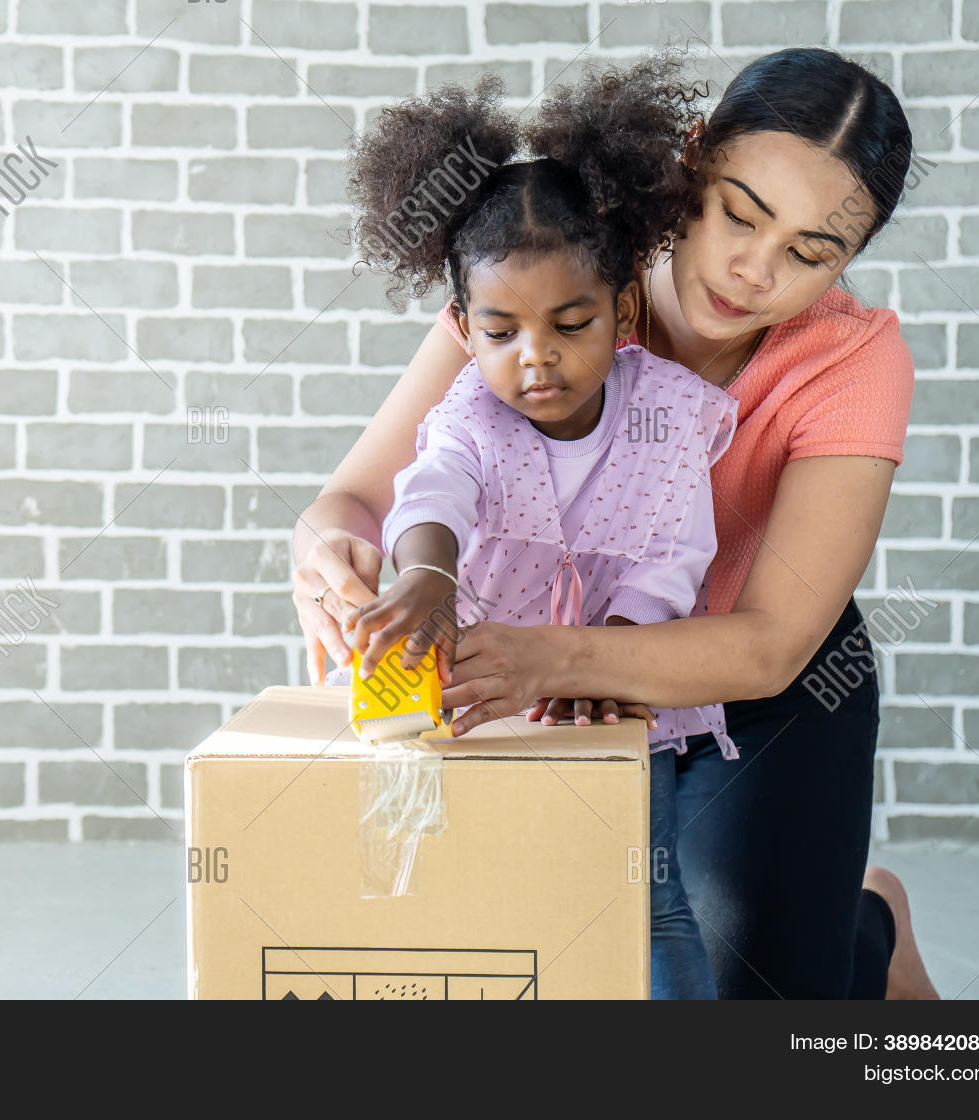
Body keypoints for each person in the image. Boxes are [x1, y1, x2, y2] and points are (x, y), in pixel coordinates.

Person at [292, 47, 939, 1000]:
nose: (754, 271)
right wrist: (328, 557)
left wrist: (555, 659)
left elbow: (766, 647)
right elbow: (359, 498)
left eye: (810, 252)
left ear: (851, 259)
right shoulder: (557, 277)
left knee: (758, 991)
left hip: (763, 682)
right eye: (737, 213)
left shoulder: (854, 363)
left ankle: (868, 928)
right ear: (692, 158)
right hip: (548, 668)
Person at [319, 61, 741, 997]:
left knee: (647, 898)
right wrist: (424, 577)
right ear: (463, 329)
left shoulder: (670, 410)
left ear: (624, 310)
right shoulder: (470, 413)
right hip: (492, 696)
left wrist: (609, 659)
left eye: (571, 321)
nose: (536, 355)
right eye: (503, 330)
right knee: (504, 892)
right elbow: (434, 495)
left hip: (624, 699)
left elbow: (676, 557)